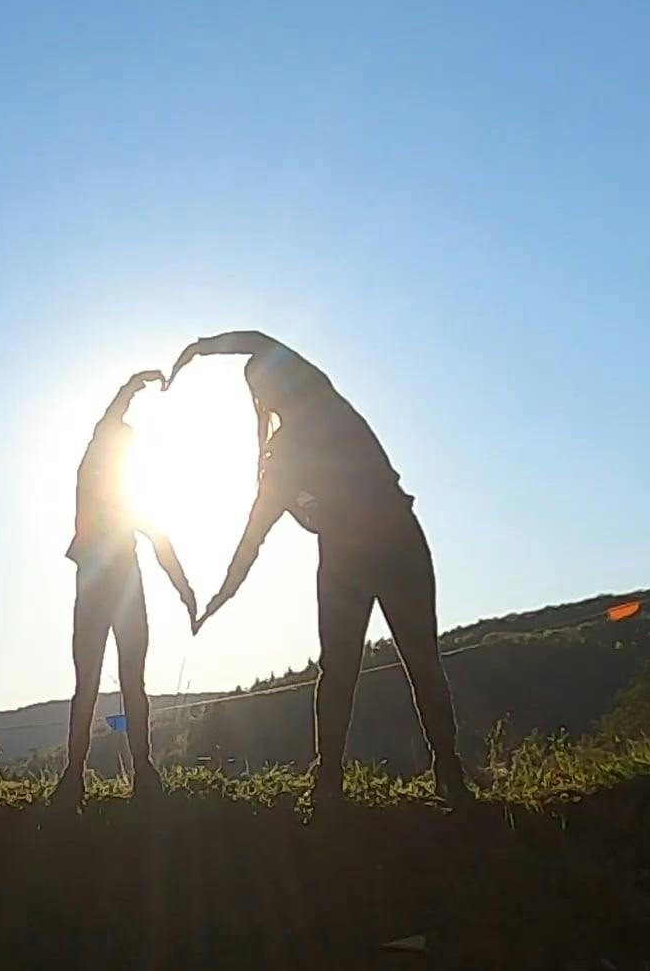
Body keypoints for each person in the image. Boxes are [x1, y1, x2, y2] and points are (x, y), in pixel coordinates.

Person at [169, 331, 471, 807]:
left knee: (412, 662)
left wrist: (201, 347)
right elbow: (251, 541)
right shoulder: (282, 460)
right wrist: (219, 598)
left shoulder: (321, 404)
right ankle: (331, 778)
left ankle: (442, 772)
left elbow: (257, 340)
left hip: (389, 542)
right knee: (349, 668)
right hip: (366, 551)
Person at [55, 369, 198, 807]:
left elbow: (159, 540)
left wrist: (184, 589)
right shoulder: (92, 473)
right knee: (94, 684)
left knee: (123, 683)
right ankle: (80, 775)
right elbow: (107, 422)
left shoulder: (123, 496)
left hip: (120, 589)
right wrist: (131, 386)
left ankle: (137, 772)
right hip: (105, 588)